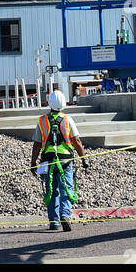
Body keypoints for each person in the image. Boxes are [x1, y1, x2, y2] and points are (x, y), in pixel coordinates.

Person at [30, 89, 88, 232]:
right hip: (65, 160)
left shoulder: (42, 121)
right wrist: (84, 159)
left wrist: (33, 163)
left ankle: (54, 221)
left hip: (48, 160)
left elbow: (37, 144)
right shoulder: (68, 120)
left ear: (49, 104)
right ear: (63, 104)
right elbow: (76, 141)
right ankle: (65, 215)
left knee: (51, 190)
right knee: (66, 188)